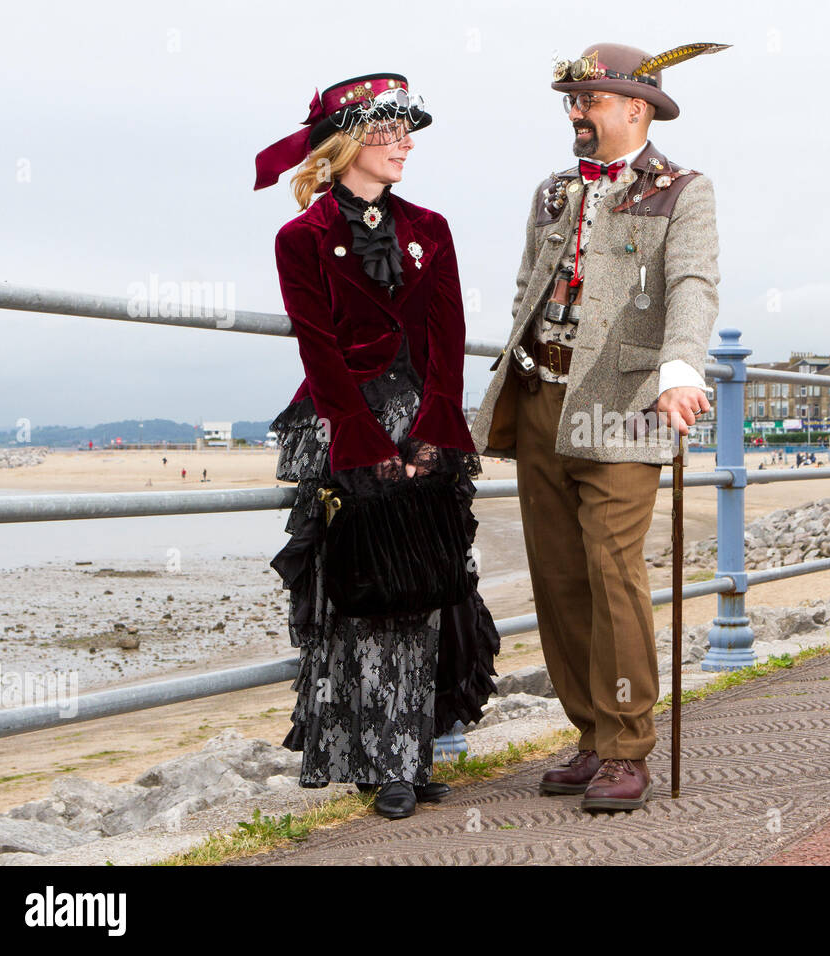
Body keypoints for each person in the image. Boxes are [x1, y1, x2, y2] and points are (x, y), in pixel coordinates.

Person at [470, 41, 727, 811]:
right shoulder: (551, 191)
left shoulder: (684, 188)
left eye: (589, 102)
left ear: (635, 109)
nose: (575, 115)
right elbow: (526, 286)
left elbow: (694, 283)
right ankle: (589, 735)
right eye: (571, 103)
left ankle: (626, 746)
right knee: (557, 577)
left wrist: (681, 368)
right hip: (542, 398)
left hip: (629, 403)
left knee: (613, 569)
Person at [255, 72, 500, 820]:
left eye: (407, 132)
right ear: (348, 144)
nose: (404, 146)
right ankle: (380, 762)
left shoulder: (433, 227)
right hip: (346, 424)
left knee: (425, 584)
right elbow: (318, 347)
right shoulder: (301, 237)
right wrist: (363, 444)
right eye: (388, 133)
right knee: (362, 593)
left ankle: (415, 751)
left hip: (426, 422)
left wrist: (431, 431)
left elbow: (449, 335)